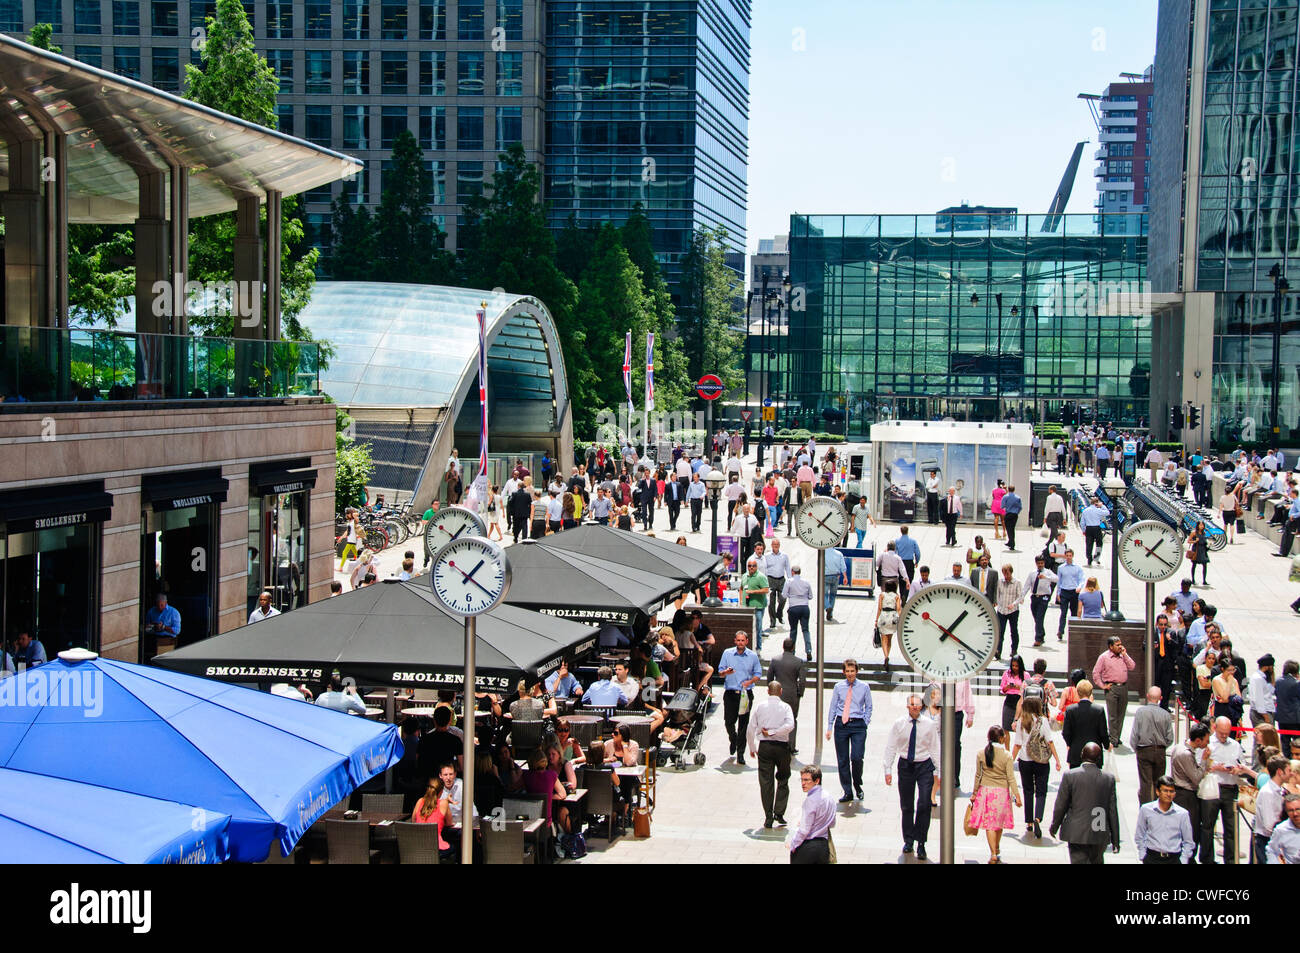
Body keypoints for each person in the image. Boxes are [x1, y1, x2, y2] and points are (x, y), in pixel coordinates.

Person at [883, 694, 940, 859]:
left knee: (924, 803)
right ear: (907, 706)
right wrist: (888, 769)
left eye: (918, 704)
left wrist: (939, 770)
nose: (915, 707)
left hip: (924, 765)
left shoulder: (929, 725)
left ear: (921, 706)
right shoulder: (899, 724)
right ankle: (908, 840)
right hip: (906, 765)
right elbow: (891, 746)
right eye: (912, 704)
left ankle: (921, 841)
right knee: (907, 805)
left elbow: (935, 747)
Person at [1050, 742, 1121, 863]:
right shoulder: (1108, 779)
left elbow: (1061, 805)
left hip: (1076, 832)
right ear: (1099, 758)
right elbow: (1112, 811)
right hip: (1099, 831)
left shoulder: (1070, 775)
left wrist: (1055, 826)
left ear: (1082, 754)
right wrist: (1115, 840)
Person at [1199, 716, 1250, 864]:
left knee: (1231, 828)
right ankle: (1207, 859)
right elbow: (1200, 765)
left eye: (1227, 733)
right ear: (1215, 728)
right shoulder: (1208, 743)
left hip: (1230, 788)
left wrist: (1237, 769)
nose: (1224, 736)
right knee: (1207, 825)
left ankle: (1231, 859)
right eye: (1221, 733)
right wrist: (1216, 768)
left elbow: (1243, 764)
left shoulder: (1235, 745)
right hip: (1213, 788)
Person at [1009, 696, 1060, 839]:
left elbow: (1017, 744)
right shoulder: (1042, 721)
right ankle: (1038, 818)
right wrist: (1057, 759)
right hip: (1041, 760)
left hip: (1025, 760)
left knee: (1028, 791)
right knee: (1041, 791)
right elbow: (1050, 741)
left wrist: (1010, 760)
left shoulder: (1020, 722)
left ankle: (1029, 822)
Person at [747, 679, 795, 828]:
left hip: (765, 747)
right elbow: (790, 725)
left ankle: (768, 815)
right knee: (783, 778)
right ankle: (779, 812)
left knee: (766, 782)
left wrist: (752, 747)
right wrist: (775, 732)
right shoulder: (786, 707)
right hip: (782, 747)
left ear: (768, 692)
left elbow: (751, 728)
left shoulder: (760, 707)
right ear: (781, 692)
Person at [970, 726, 1021, 863]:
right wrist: (1017, 795)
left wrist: (974, 793)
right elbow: (1011, 777)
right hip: (1002, 793)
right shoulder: (1007, 755)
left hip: (986, 791)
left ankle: (993, 851)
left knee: (989, 824)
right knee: (999, 824)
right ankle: (996, 849)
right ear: (1000, 738)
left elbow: (978, 775)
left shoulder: (981, 753)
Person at [826, 658, 873, 802]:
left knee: (857, 757)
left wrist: (865, 721)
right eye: (847, 671)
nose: (850, 674)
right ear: (843, 672)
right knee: (842, 760)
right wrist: (829, 727)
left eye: (852, 671)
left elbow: (869, 706)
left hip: (858, 724)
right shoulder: (838, 687)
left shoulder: (864, 687)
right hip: (842, 724)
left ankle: (857, 785)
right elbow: (833, 707)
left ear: (857, 671)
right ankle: (847, 791)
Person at [719, 631, 763, 765]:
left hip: (745, 694)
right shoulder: (727, 653)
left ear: (747, 641)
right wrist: (726, 672)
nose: (740, 643)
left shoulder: (752, 656)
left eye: (742, 640)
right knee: (729, 722)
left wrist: (750, 682)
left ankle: (740, 753)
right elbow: (720, 673)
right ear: (734, 641)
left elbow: (758, 673)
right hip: (731, 693)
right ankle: (733, 739)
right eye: (738, 640)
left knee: (743, 725)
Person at [1135, 776, 1197, 864]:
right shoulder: (1146, 810)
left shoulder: (1182, 814)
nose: (1168, 794)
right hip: (1152, 857)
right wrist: (1143, 855)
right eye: (1165, 791)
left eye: (1171, 791)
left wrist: (1183, 860)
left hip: (1174, 858)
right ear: (1157, 792)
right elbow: (1139, 834)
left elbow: (1188, 841)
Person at [1129, 686, 1174, 804]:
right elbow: (1170, 738)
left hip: (1144, 749)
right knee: (1158, 782)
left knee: (1145, 783)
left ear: (1148, 696)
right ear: (1161, 698)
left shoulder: (1140, 712)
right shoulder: (1165, 715)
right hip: (1160, 751)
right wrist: (1162, 747)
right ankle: (1158, 808)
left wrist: (1137, 749)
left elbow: (1134, 734)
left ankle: (1144, 809)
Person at [1092, 635, 1135, 749]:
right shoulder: (1103, 657)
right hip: (1111, 688)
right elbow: (1096, 673)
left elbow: (1132, 666)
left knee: (1121, 714)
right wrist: (1103, 686)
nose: (1120, 647)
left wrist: (1125, 654)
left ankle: (1117, 736)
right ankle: (1113, 738)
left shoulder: (1123, 656)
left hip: (1123, 687)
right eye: (1117, 645)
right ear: (1111, 647)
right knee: (1112, 715)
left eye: (1120, 644)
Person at [789, 765, 836, 864]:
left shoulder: (810, 801)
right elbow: (832, 823)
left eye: (807, 780)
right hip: (823, 848)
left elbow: (804, 830)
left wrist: (793, 844)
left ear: (817, 781)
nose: (803, 783)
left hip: (807, 848)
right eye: (801, 780)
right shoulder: (829, 797)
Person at [767, 638, 806, 754]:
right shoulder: (798, 661)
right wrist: (800, 692)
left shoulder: (775, 660)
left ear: (783, 646)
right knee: (792, 719)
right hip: (792, 694)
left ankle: (778, 743)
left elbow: (769, 677)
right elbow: (802, 680)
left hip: (778, 694)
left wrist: (771, 691)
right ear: (793, 647)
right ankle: (791, 746)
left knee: (777, 718)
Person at [1062, 679, 1110, 768]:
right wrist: (1107, 745)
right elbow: (1103, 733)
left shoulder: (1070, 710)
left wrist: (1071, 744)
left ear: (1077, 692)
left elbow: (1066, 733)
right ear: (1091, 692)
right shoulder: (1099, 710)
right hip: (1095, 753)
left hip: (1076, 752)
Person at [1255, 756, 1291, 863]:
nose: (1291, 773)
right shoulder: (1267, 792)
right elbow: (1269, 825)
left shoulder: (1280, 790)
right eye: (1289, 770)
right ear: (1280, 772)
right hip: (1266, 841)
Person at [410, 776, 454, 860]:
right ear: (441, 792)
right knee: (454, 848)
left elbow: (413, 821)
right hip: (436, 848)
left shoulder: (419, 801)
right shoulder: (444, 803)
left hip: (417, 847)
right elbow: (449, 823)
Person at [1022, 554, 1057, 647]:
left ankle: (1038, 639)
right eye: (1039, 563)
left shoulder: (1048, 572)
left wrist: (1046, 577)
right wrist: (1021, 597)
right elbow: (1026, 586)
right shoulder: (1032, 573)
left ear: (1044, 563)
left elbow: (1057, 579)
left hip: (1044, 597)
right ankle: (1041, 634)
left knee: (1039, 617)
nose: (1040, 565)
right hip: (1034, 597)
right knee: (1036, 617)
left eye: (1042, 563)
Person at [783, 565, 814, 660]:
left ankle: (791, 651)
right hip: (804, 607)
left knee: (793, 630)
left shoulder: (789, 581)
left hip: (793, 607)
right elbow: (810, 596)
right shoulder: (806, 582)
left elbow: (784, 595)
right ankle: (808, 650)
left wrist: (791, 595)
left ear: (792, 572)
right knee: (805, 630)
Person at [740, 558, 770, 650]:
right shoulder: (744, 576)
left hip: (758, 607)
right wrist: (741, 600)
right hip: (746, 606)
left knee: (758, 628)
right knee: (746, 628)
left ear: (756, 567)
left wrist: (754, 592)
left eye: (753, 566)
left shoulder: (761, 577)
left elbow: (766, 589)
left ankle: (758, 648)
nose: (751, 568)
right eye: (749, 566)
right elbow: (741, 588)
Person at [994, 564, 1022, 660]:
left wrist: (1013, 604)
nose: (1006, 576)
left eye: (1007, 573)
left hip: (1013, 611)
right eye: (1004, 573)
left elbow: (1020, 597)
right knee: (1000, 631)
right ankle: (998, 650)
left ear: (1011, 572)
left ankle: (1014, 650)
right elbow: (997, 593)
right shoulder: (1000, 582)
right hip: (1002, 611)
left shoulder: (1017, 582)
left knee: (1013, 631)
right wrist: (997, 603)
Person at [1276, 659, 1300, 759]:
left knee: (1284, 742)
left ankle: (1286, 760)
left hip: (1282, 718)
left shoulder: (1278, 681)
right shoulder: (1296, 683)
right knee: (1297, 742)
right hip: (1295, 718)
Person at [876, 579, 901, 670]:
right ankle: (888, 654)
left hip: (884, 616)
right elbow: (898, 608)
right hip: (892, 617)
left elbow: (879, 608)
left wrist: (876, 620)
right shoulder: (896, 596)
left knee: (884, 638)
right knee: (889, 638)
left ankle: (886, 656)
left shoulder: (882, 595)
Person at [1267, 794, 1300, 863]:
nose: (1295, 814)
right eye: (1290, 810)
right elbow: (1271, 851)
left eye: (1298, 809)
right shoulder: (1281, 830)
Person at [1079, 496, 1109, 566]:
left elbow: (1082, 522)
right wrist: (1102, 506)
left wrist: (1084, 530)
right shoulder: (1098, 510)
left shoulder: (1085, 511)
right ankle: (1096, 557)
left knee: (1089, 544)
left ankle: (1089, 558)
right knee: (1099, 543)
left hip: (1088, 528)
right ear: (1096, 503)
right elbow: (1107, 512)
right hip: (1096, 528)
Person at [1249, 653, 1276, 730]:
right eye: (1272, 666)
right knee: (1263, 739)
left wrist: (1272, 675)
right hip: (1261, 714)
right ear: (1267, 666)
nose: (1273, 668)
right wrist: (1266, 717)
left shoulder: (1261, 677)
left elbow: (1270, 691)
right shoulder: (1258, 678)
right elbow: (1258, 699)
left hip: (1265, 712)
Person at [1187, 520, 1210, 586]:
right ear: (1197, 526)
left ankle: (1204, 580)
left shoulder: (1204, 533)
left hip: (1203, 549)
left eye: (1203, 525)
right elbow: (1189, 541)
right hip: (1196, 549)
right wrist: (1194, 541)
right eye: (1200, 525)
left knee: (1205, 565)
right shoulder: (1194, 533)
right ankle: (1193, 579)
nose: (1202, 526)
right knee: (1194, 565)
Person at [1001, 484, 1022, 550]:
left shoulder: (1005, 497)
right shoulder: (1018, 497)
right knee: (1012, 528)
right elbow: (1020, 507)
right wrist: (1017, 512)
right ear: (1014, 490)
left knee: (1008, 529)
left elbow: (1002, 506)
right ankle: (1010, 541)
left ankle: (1012, 543)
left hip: (1008, 514)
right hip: (1015, 515)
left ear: (1008, 489)